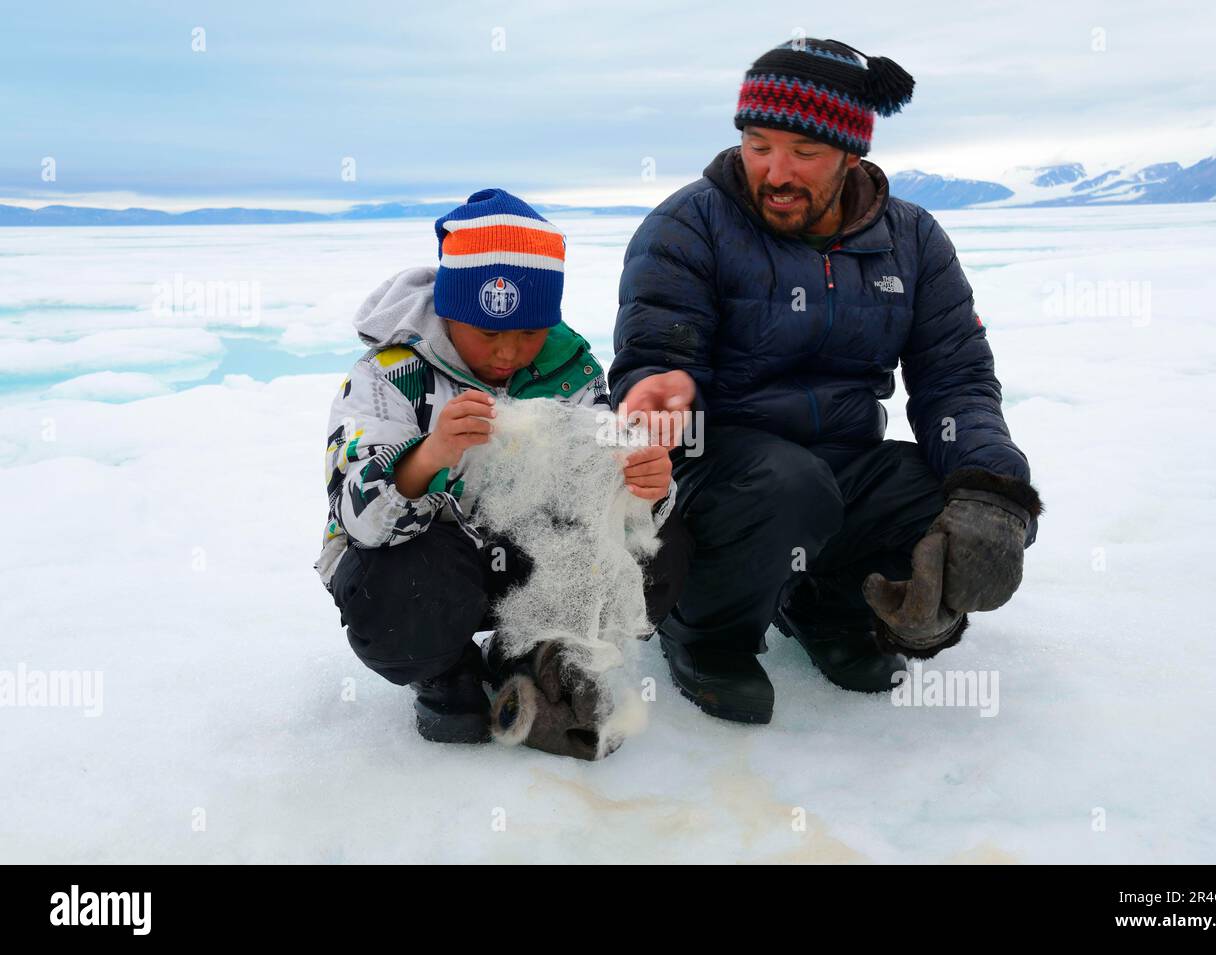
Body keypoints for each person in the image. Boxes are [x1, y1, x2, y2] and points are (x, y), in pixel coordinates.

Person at [609, 39, 1043, 725]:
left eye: (804, 153)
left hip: (841, 463)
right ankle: (703, 632)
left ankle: (826, 605)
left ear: (851, 155)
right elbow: (656, 349)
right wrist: (660, 387)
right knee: (788, 484)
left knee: (959, 501)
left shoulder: (912, 240)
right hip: (716, 474)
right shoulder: (688, 226)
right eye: (757, 145)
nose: (775, 172)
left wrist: (992, 489)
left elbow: (955, 379)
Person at [315, 188, 692, 758]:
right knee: (400, 585)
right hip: (431, 566)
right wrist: (430, 455)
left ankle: (531, 647)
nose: (508, 354)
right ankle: (444, 670)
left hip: (523, 564)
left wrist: (645, 487)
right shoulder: (390, 376)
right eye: (488, 333)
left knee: (664, 547)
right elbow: (359, 520)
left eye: (529, 333)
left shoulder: (572, 371)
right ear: (449, 309)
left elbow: (605, 485)